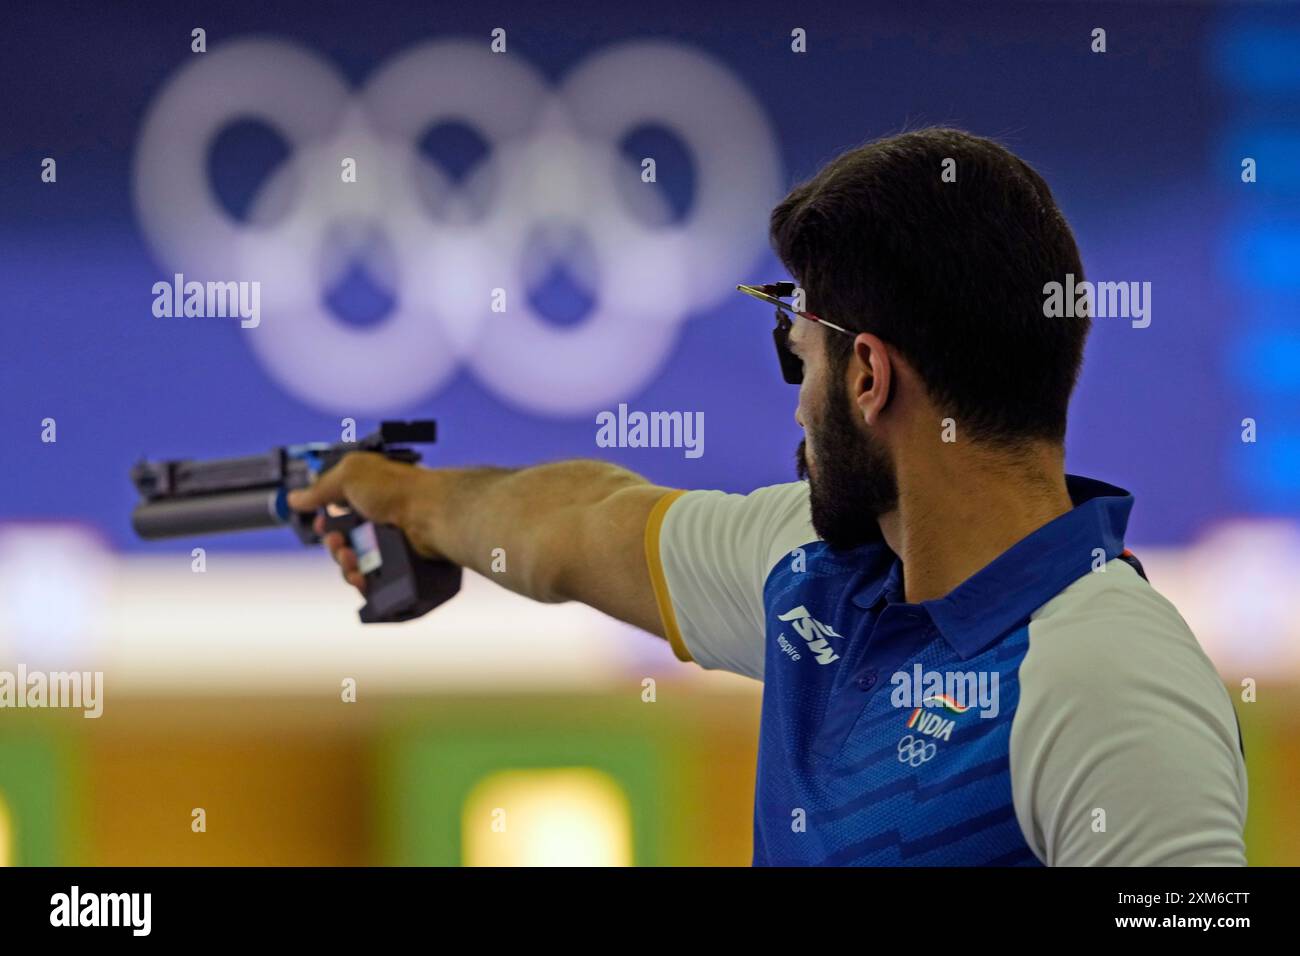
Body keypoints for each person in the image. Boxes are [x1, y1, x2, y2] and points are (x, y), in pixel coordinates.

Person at [287, 127, 1248, 866]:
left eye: (804, 356)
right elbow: (574, 527)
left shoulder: (1108, 680)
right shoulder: (815, 571)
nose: (798, 401)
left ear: (868, 377)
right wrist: (405, 501)